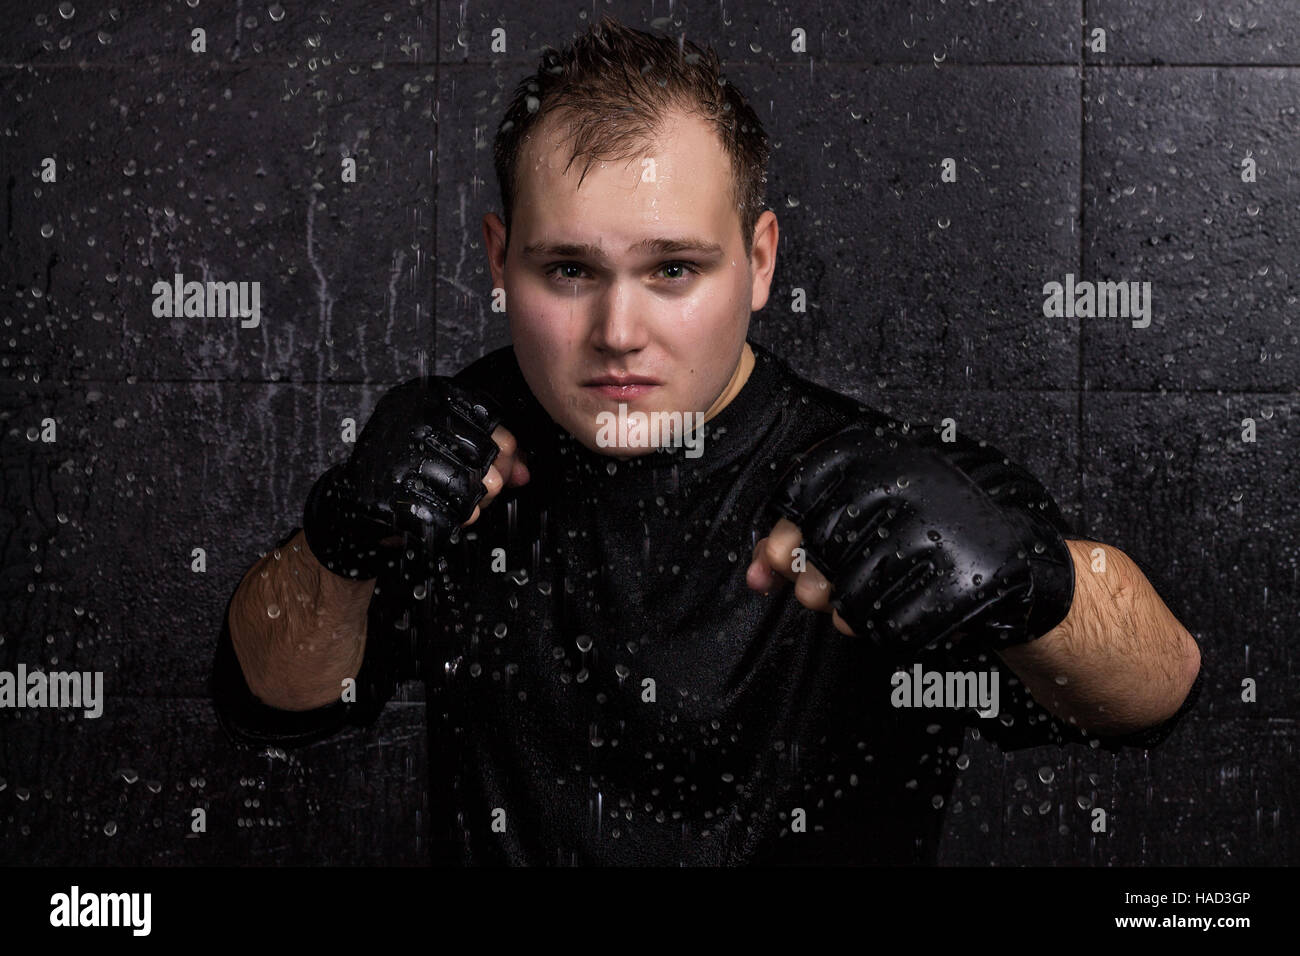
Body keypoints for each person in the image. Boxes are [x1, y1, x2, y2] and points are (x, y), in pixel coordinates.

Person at [211, 16, 1203, 865]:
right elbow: (278, 693)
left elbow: (1155, 690)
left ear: (759, 262)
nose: (618, 331)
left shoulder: (870, 479)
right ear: (499, 258)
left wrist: (1034, 583)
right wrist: (340, 542)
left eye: (674, 269)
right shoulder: (457, 452)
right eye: (567, 270)